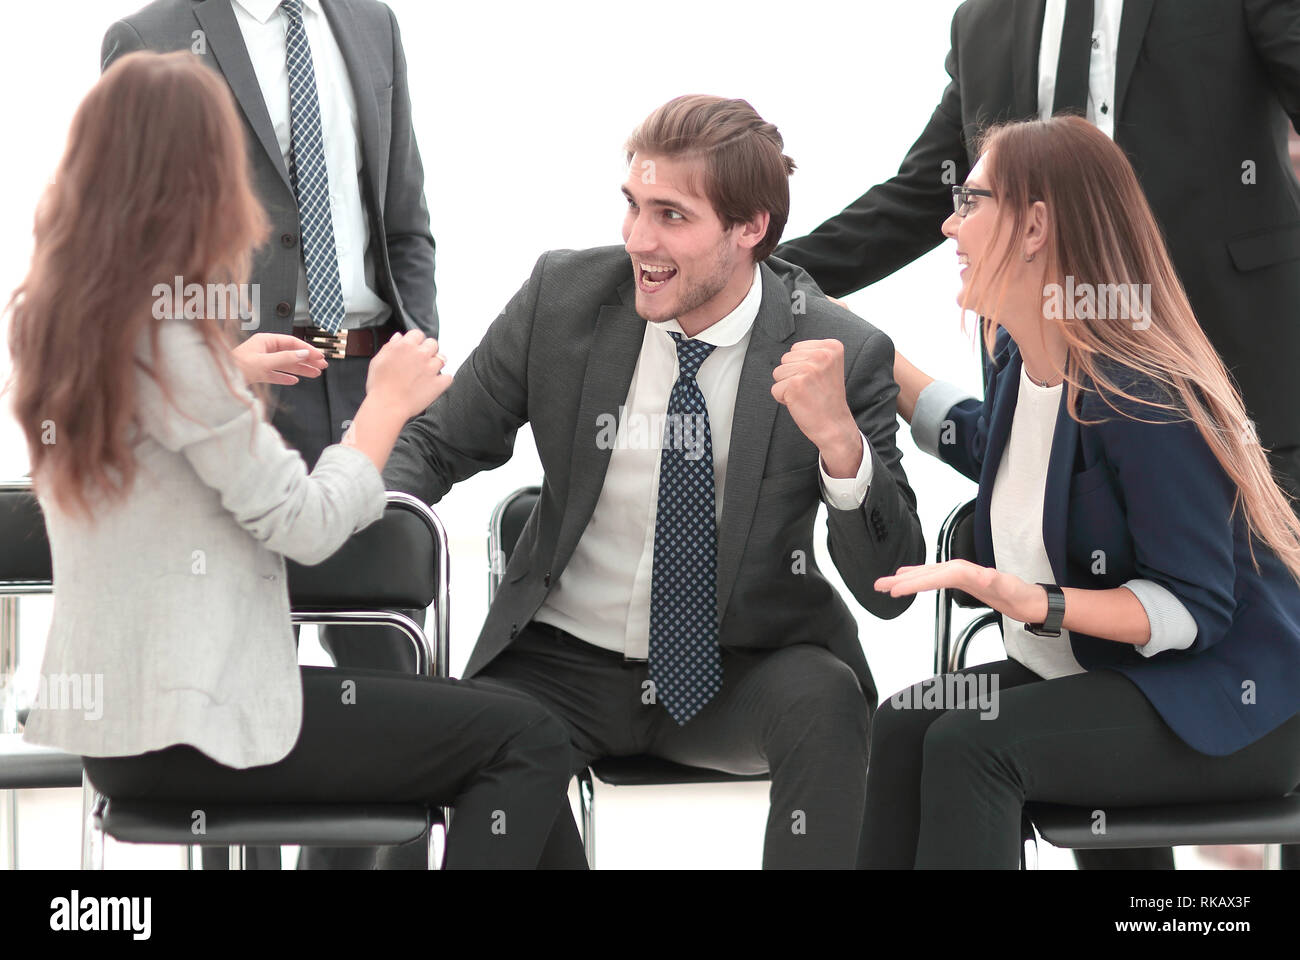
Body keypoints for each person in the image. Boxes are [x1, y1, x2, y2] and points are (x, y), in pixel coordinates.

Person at [7, 51, 573, 870]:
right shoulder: (174, 349)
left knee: (521, 741)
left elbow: (141, 413)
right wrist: (383, 406)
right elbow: (306, 528)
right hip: (204, 732)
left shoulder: (69, 335)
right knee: (528, 739)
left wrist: (228, 375)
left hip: (128, 735)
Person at [381, 94, 928, 869]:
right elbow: (437, 444)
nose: (639, 238)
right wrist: (345, 520)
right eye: (633, 206)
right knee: (481, 758)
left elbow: (886, 586)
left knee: (826, 702)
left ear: (750, 230)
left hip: (742, 664)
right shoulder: (563, 298)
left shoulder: (839, 347)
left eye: (671, 215)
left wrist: (840, 444)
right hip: (559, 665)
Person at [861, 114, 1300, 868]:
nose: (948, 225)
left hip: (1229, 703)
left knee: (975, 745)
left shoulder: (1142, 396)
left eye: (971, 202)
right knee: (909, 722)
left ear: (1034, 225)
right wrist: (861, 348)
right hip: (1108, 673)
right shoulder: (1021, 363)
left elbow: (1194, 609)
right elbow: (992, 449)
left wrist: (1037, 601)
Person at [103, 0, 440, 868]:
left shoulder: (371, 24)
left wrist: (414, 353)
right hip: (240, 391)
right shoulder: (148, 39)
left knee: (395, 683)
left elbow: (405, 222)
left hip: (370, 386)